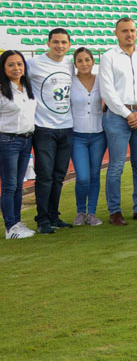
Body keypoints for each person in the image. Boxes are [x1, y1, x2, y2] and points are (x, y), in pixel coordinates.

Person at [99, 17, 137, 225]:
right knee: (116, 165)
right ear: (116, 33)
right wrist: (127, 114)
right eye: (124, 31)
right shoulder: (108, 57)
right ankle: (114, 211)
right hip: (117, 117)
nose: (129, 34)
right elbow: (107, 90)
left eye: (132, 30)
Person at [27, 28, 74, 233]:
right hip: (44, 128)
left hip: (67, 127)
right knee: (44, 175)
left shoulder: (70, 65)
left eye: (64, 42)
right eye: (56, 42)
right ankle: (42, 220)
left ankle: (54, 216)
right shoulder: (33, 64)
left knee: (58, 175)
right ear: (48, 43)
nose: (60, 46)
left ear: (69, 45)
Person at [1, 50, 37, 239]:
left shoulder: (26, 87)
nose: (16, 68)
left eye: (19, 64)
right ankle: (10, 227)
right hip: (8, 140)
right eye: (11, 65)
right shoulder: (2, 89)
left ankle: (16, 222)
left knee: (18, 185)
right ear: (3, 68)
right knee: (9, 185)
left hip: (26, 140)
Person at [70, 48, 106, 226]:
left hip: (99, 134)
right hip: (77, 136)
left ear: (93, 61)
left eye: (87, 60)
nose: (84, 64)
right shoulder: (70, 82)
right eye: (80, 61)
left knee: (94, 175)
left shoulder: (101, 80)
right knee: (83, 176)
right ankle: (80, 211)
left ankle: (91, 213)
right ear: (75, 63)